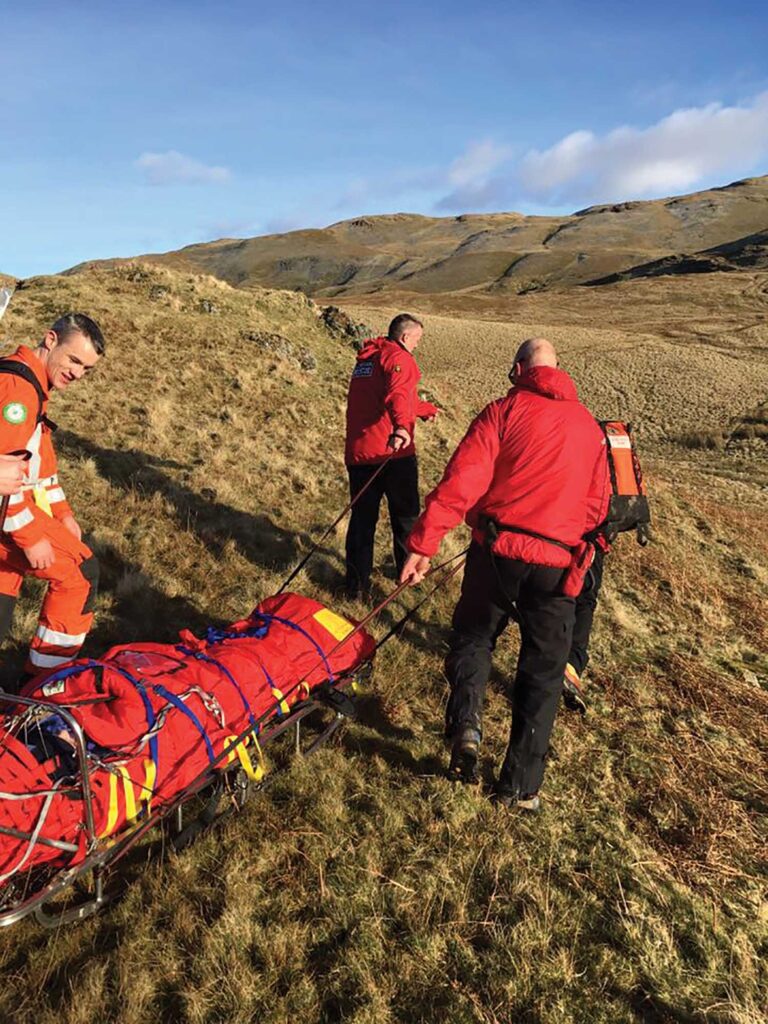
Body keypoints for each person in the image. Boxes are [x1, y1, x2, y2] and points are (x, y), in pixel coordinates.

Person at [400, 337, 609, 812]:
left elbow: (460, 483)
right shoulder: (589, 429)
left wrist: (422, 545)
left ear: (518, 369)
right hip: (557, 567)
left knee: (474, 637)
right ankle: (520, 788)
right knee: (543, 671)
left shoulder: (502, 412)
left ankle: (467, 728)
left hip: (496, 553)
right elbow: (597, 508)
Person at [0, 313, 104, 681]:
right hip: (8, 521)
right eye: (74, 360)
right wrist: (31, 540)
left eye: (86, 369)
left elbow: (40, 470)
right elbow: (6, 479)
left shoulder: (31, 385)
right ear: (49, 340)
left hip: (12, 520)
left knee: (4, 580)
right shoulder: (20, 391)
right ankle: (44, 683)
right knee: (80, 574)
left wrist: (62, 513)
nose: (77, 373)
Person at [344, 313, 438, 597]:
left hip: (359, 454)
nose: (418, 345)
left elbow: (391, 396)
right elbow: (397, 395)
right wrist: (401, 428)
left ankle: (355, 586)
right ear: (405, 337)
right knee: (406, 518)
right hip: (392, 454)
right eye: (418, 339)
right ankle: (407, 578)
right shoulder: (401, 358)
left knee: (362, 521)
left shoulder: (368, 360)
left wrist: (424, 410)